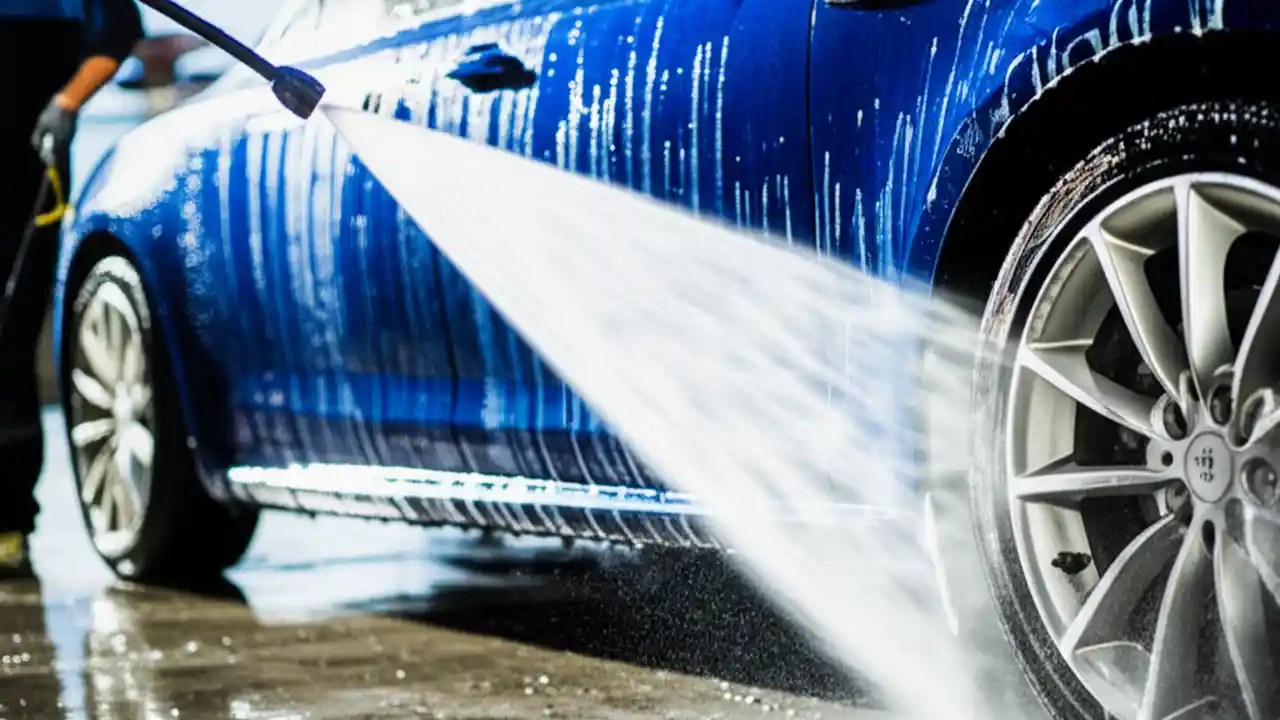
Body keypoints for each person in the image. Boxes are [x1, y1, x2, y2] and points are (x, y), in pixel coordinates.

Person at [0, 0, 144, 578]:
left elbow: (120, 29)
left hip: (28, 171)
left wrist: (67, 104)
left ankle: (8, 523)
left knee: (8, 343)